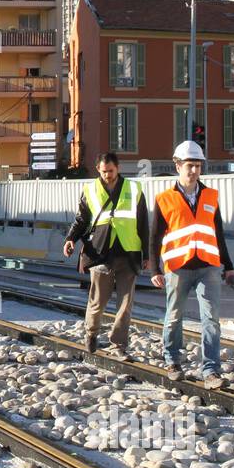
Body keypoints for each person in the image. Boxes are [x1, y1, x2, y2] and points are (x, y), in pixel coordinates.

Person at [149, 140, 234, 384]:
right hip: (178, 268)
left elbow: (218, 233)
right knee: (174, 316)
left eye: (198, 166)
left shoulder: (211, 196)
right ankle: (173, 361)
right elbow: (155, 236)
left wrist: (228, 266)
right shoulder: (164, 199)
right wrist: (154, 268)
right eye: (189, 165)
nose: (194, 171)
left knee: (211, 319)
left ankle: (211, 370)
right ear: (177, 165)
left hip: (208, 266)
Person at [63, 151, 149, 358]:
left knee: (126, 303)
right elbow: (81, 219)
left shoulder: (134, 189)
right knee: (97, 300)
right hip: (100, 252)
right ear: (98, 170)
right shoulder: (90, 189)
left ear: (117, 168)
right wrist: (70, 239)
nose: (107, 175)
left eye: (110, 171)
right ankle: (91, 333)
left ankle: (118, 344)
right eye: (103, 172)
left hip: (128, 252)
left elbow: (143, 223)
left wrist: (146, 254)